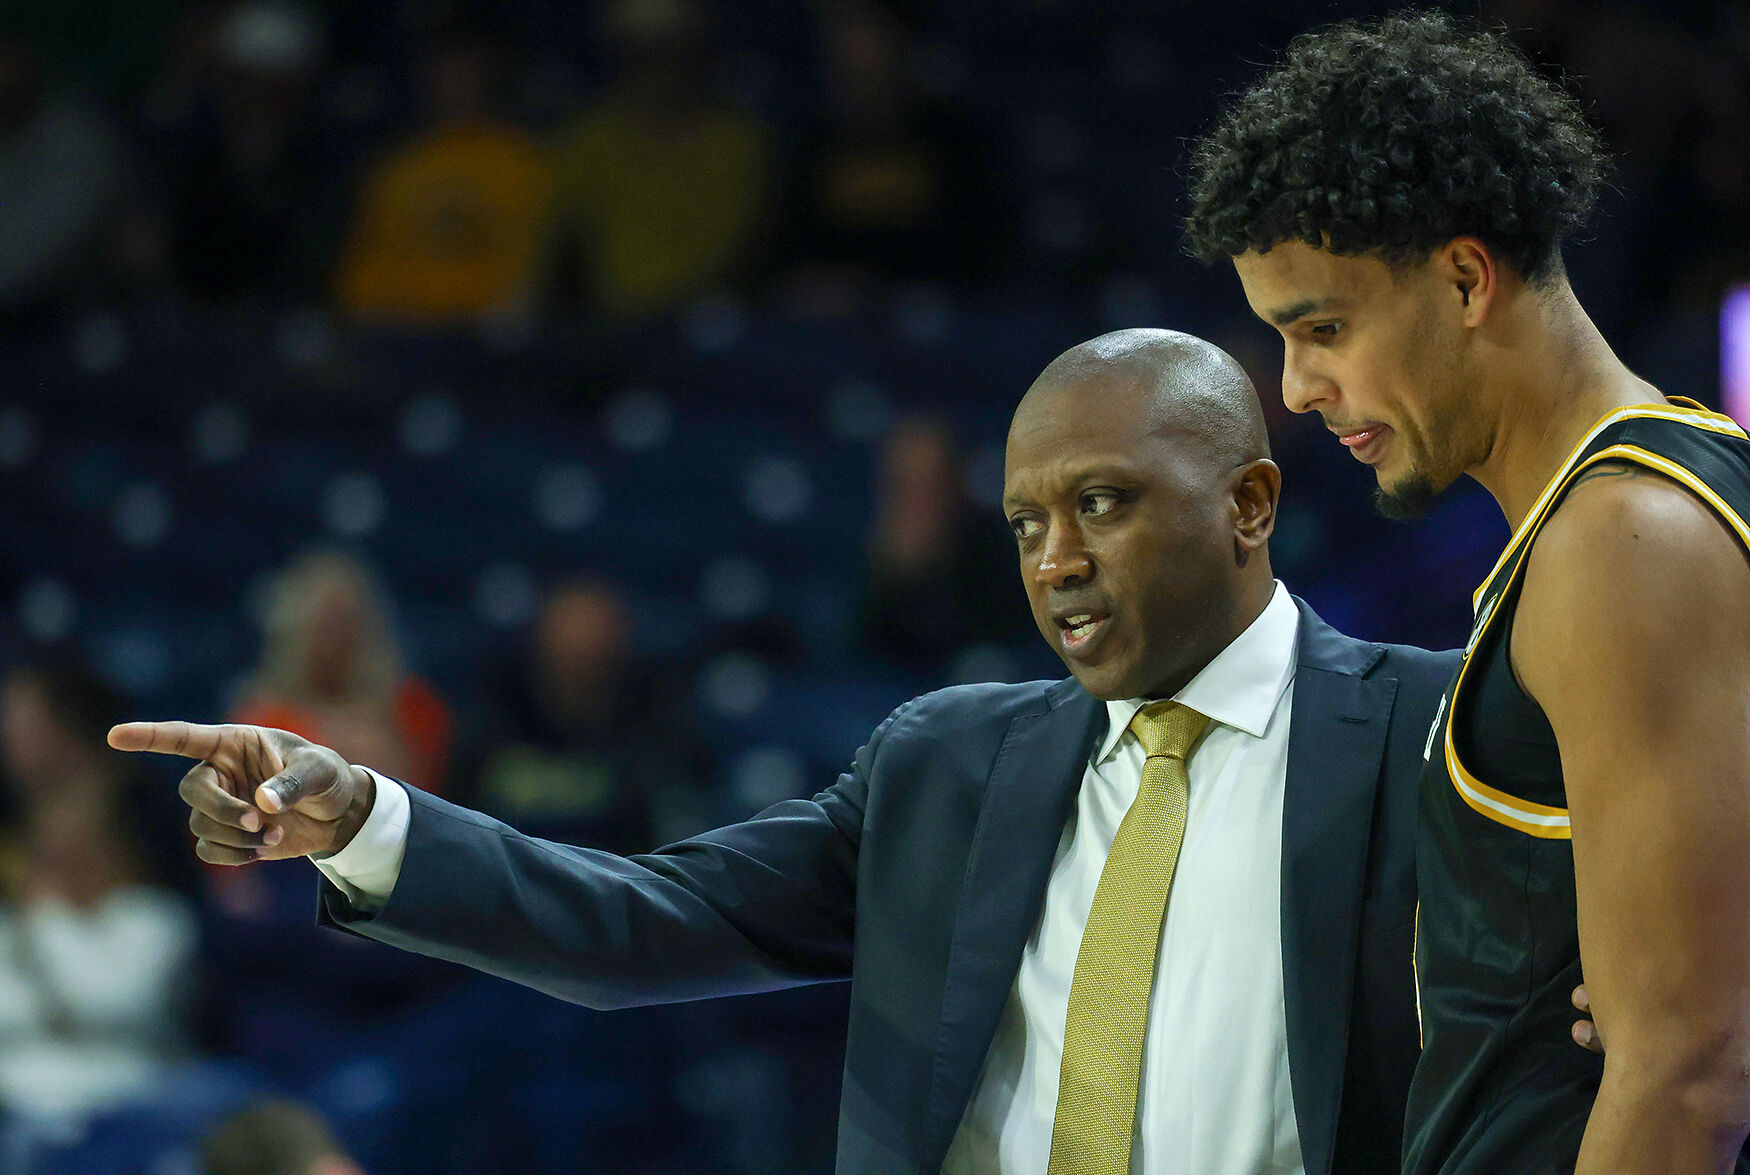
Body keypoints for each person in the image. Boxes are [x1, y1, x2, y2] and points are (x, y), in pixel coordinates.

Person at [127, 329, 1513, 1175]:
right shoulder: (942, 762)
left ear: (1250, 500)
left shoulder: (1429, 732)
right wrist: (366, 814)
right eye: (1026, 523)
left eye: (1103, 502)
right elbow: (644, 920)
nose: (1059, 562)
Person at [1184, 13, 1750, 1174]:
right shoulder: (1631, 502)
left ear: (1462, 278)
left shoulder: (1623, 542)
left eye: (1324, 328)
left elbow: (1687, 1075)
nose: (1295, 388)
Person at [332, 30, 553, 326]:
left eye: (466, 68)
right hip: (400, 340)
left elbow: (528, 269)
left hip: (483, 341)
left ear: (490, 74)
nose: (456, 80)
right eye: (446, 69)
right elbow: (363, 275)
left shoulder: (522, 162)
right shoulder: (400, 167)